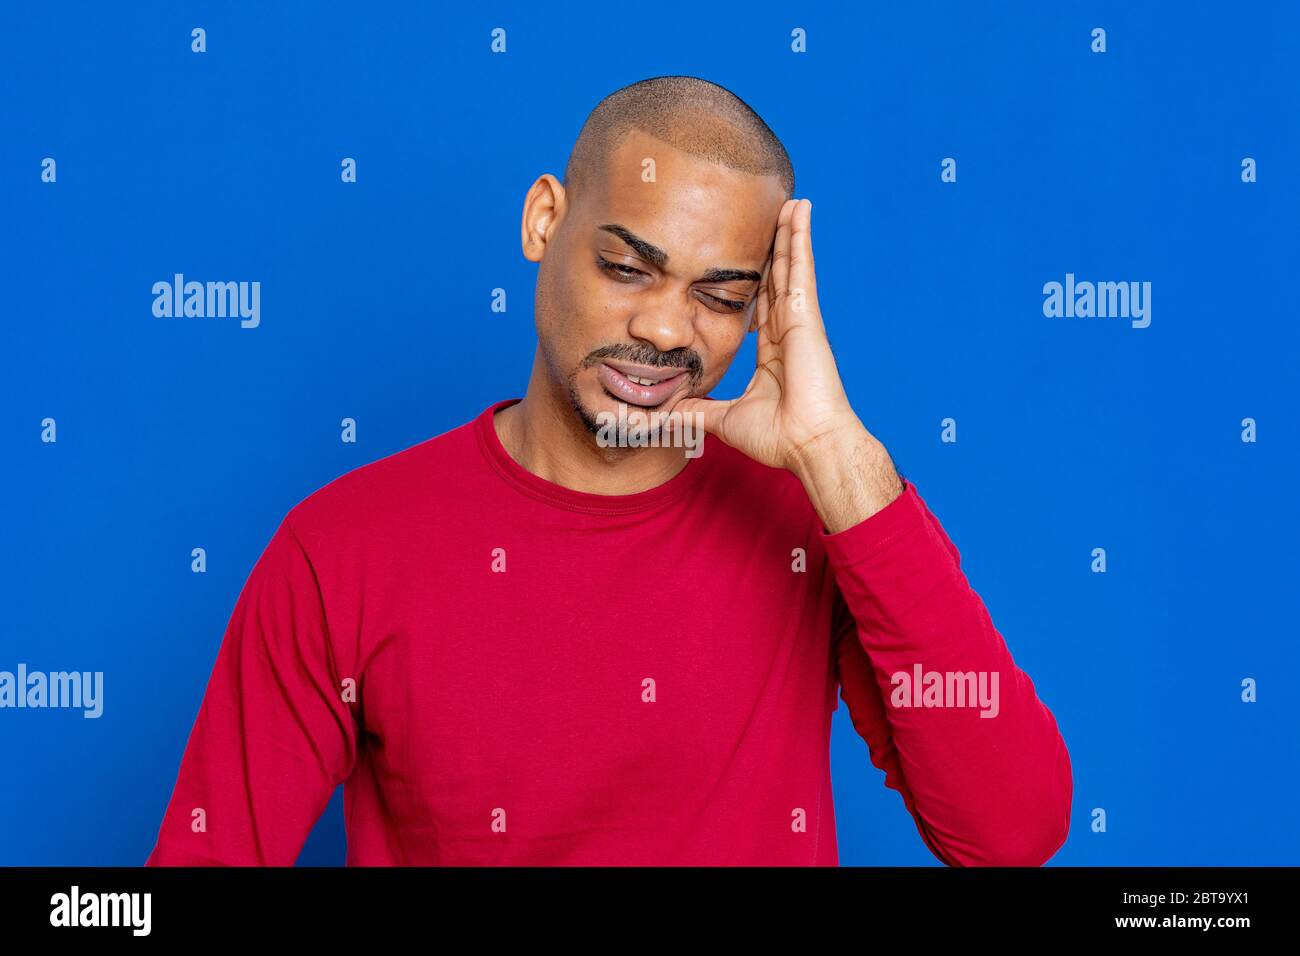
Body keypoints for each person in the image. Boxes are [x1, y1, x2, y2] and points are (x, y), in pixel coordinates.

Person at [145, 75, 1071, 866]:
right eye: (629, 267)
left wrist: (840, 462)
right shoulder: (341, 548)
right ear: (545, 221)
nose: (668, 331)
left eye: (719, 295)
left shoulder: (814, 520)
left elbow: (1013, 829)